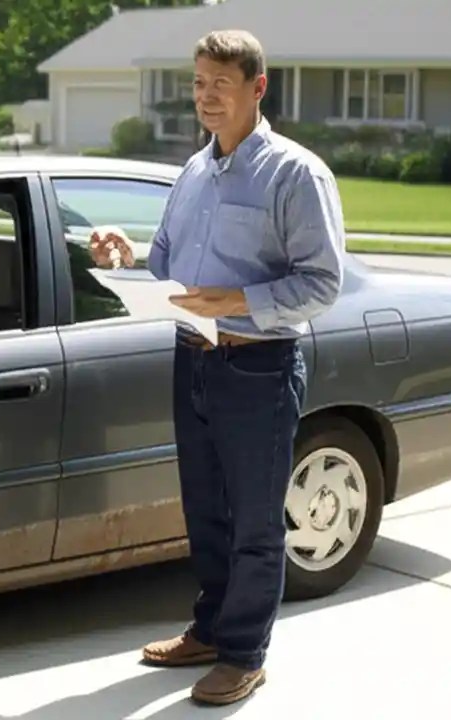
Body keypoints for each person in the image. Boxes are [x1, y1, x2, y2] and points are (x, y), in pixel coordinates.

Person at [90, 29, 345, 706]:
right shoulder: (195, 170)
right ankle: (209, 627)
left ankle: (243, 653)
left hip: (258, 366)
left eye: (220, 85)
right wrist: (126, 255)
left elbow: (322, 284)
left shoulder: (296, 174)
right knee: (205, 509)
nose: (205, 97)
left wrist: (241, 300)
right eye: (198, 83)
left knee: (254, 520)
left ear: (257, 88)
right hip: (193, 357)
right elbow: (172, 265)